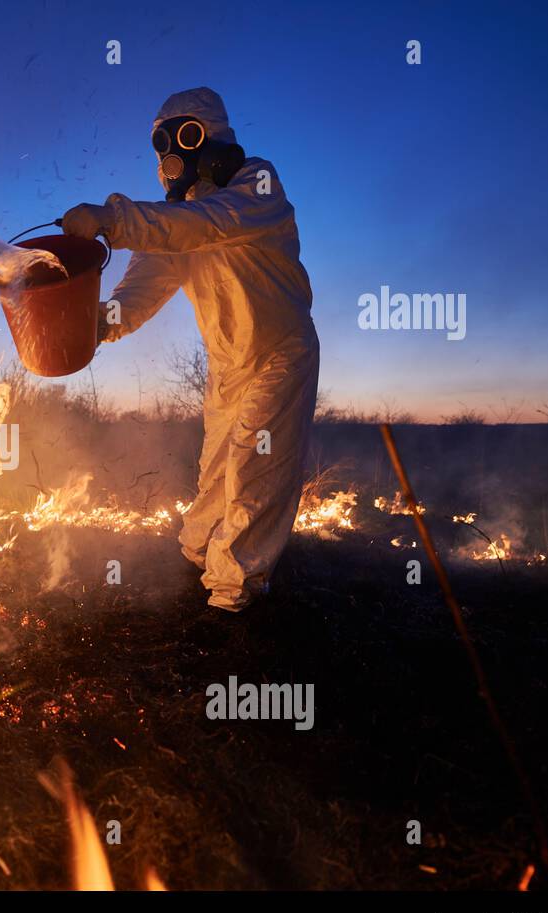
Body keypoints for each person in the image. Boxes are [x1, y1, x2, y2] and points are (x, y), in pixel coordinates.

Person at [61, 87, 319, 613]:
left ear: (212, 137)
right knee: (215, 472)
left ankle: (233, 598)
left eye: (183, 136)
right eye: (162, 143)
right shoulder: (181, 217)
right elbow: (145, 283)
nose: (170, 154)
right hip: (228, 364)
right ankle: (197, 557)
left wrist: (112, 219)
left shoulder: (256, 188)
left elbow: (206, 224)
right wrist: (96, 327)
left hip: (280, 353)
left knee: (253, 470)